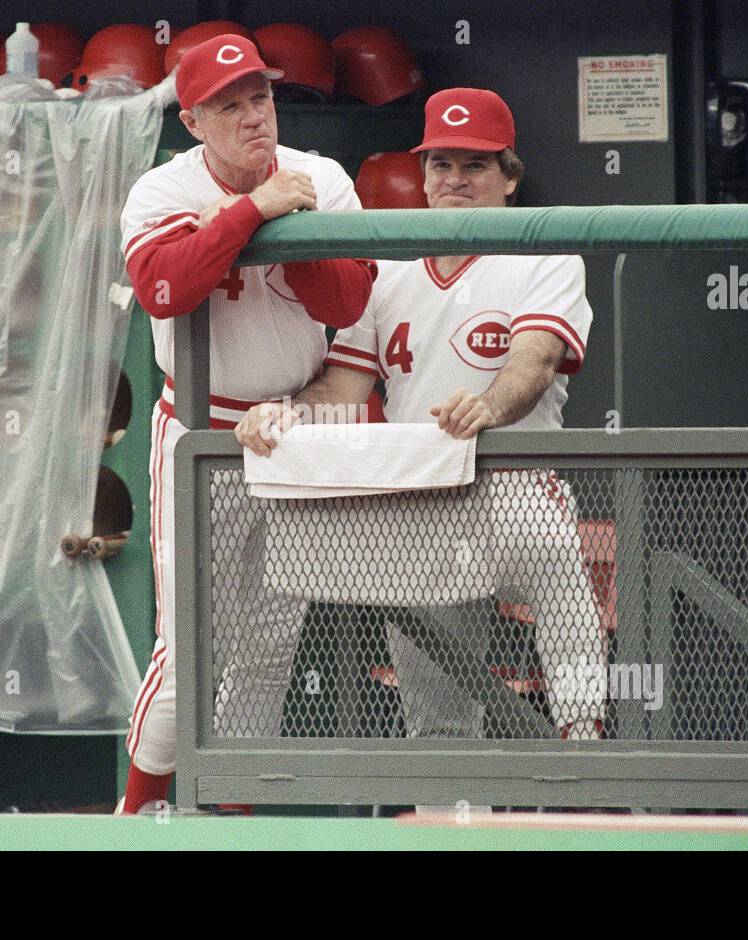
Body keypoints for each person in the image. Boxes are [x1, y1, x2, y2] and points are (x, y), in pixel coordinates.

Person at [235, 87, 606, 744]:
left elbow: (535, 361)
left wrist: (487, 406)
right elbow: (342, 389)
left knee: (558, 578)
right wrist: (285, 416)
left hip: (514, 487)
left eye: (476, 164)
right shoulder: (390, 275)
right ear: (423, 172)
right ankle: (452, 821)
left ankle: (589, 747)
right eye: (442, 163)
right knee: (436, 725)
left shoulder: (544, 253)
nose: (455, 179)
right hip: (423, 496)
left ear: (510, 176)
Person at [117, 34, 375, 813]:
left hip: (291, 427)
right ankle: (133, 813)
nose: (252, 116)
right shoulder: (159, 191)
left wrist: (285, 222)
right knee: (191, 646)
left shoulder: (322, 177)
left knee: (270, 647)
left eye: (259, 97)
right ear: (193, 122)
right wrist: (251, 214)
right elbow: (166, 288)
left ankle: (234, 817)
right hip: (200, 430)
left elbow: (346, 306)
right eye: (229, 106)